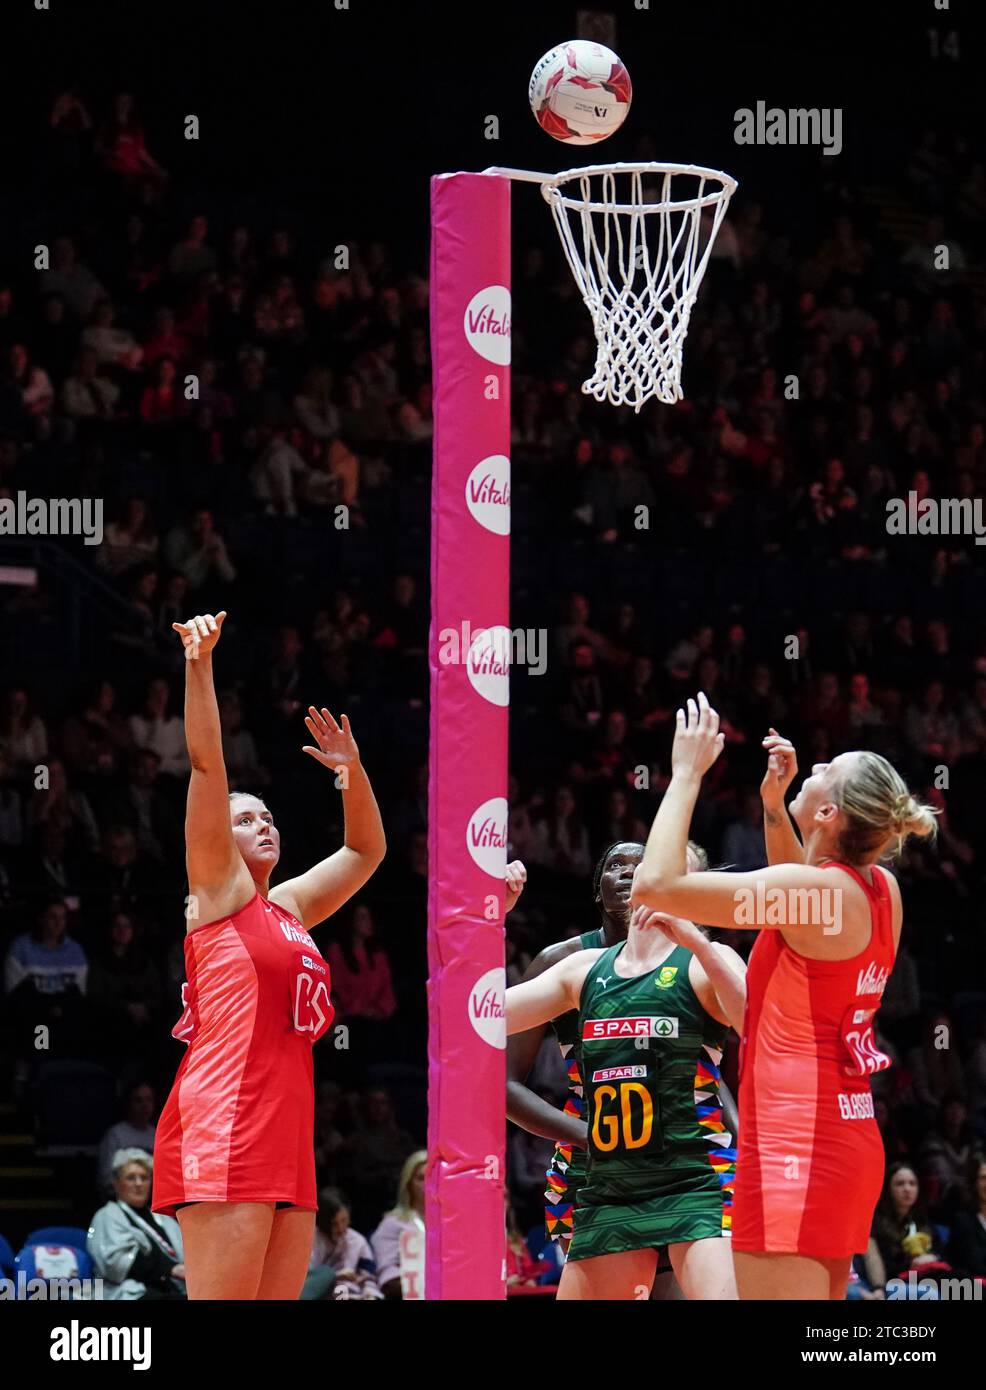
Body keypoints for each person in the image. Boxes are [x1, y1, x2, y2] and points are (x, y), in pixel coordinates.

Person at [630, 696, 937, 1300]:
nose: (813, 764)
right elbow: (800, 918)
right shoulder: (881, 891)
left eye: (826, 769)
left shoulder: (818, 895)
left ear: (828, 810)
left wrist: (687, 772)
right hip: (844, 1138)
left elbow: (657, 885)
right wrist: (776, 810)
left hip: (796, 1142)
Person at [150, 609, 386, 1300]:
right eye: (245, 817)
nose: (264, 824)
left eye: (268, 816)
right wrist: (199, 664)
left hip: (287, 1132)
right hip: (225, 1118)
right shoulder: (216, 892)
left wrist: (352, 773)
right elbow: (203, 764)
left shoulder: (288, 907)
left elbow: (366, 851)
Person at [505, 849, 746, 1300]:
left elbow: (758, 1025)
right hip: (608, 1184)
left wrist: (697, 941)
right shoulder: (580, 966)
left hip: (693, 1178)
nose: (638, 875)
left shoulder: (710, 959)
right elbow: (474, 1018)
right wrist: (487, 923)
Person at [88, 1150, 185, 1300]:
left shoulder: (163, 1217)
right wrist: (170, 1269)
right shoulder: (107, 1215)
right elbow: (115, 1265)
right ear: (116, 1182)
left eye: (144, 1177)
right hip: (129, 1292)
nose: (138, 1183)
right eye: (131, 1178)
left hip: (173, 1289)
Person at [863, 1163, 952, 1294]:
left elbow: (945, 1257)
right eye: (900, 1184)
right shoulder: (876, 1223)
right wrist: (911, 1264)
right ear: (888, 1189)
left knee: (969, 1286)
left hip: (930, 1276)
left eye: (912, 1183)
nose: (907, 1189)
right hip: (897, 1282)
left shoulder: (923, 1220)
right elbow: (881, 1269)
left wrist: (934, 1258)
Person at [302, 1186, 383, 1300]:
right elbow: (307, 1282)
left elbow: (369, 1277)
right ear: (323, 1221)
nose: (340, 1228)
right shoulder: (310, 1240)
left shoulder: (358, 1242)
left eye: (344, 1220)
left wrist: (371, 1294)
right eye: (334, 1223)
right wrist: (335, 1276)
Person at [370, 1150, 426, 1299]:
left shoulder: (450, 1220)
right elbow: (387, 1271)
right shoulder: (392, 1223)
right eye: (421, 1178)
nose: (428, 1183)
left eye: (433, 1176)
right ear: (408, 1183)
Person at [96, 1082, 158, 1196]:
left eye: (149, 1100)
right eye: (138, 1100)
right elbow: (105, 1178)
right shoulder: (115, 1135)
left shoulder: (157, 1134)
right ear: (128, 1104)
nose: (145, 1105)